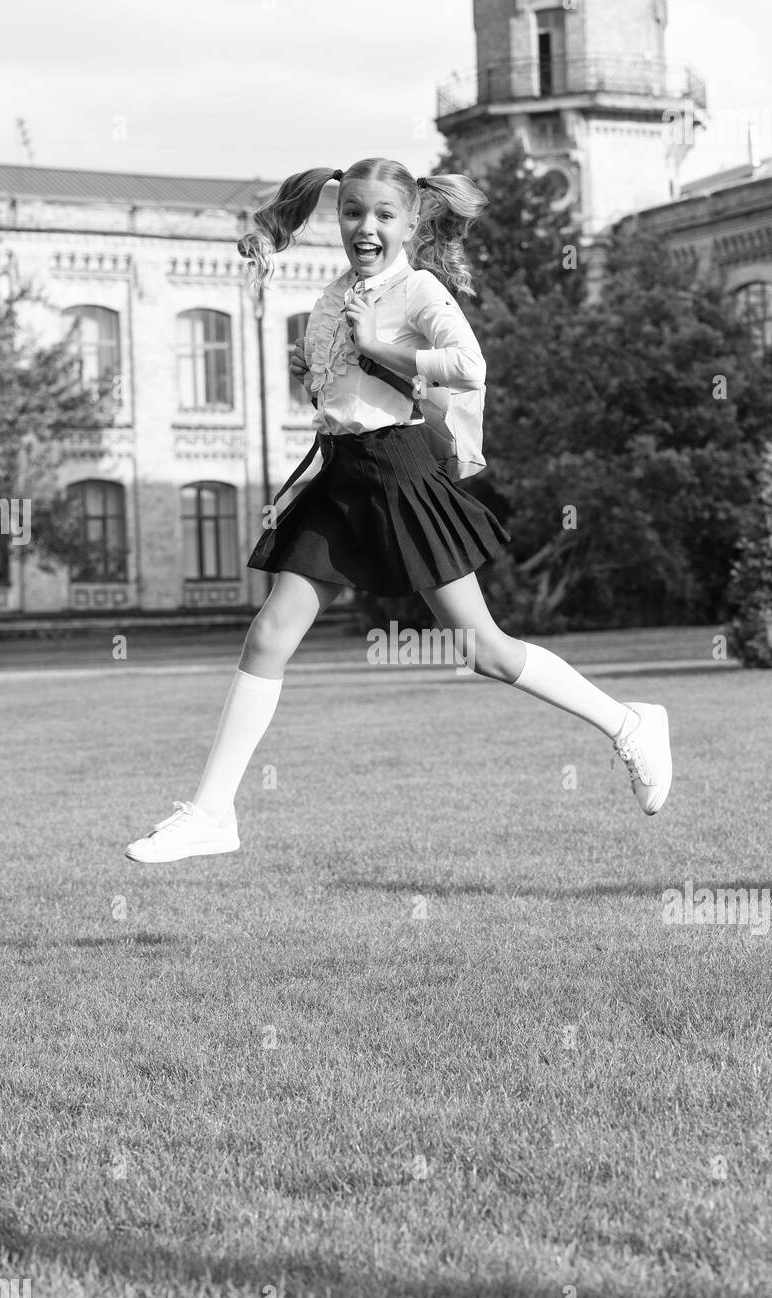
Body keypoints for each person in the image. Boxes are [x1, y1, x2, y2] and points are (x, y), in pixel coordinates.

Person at [125, 157, 671, 864]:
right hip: (341, 474)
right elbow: (336, 394)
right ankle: (211, 812)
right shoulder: (332, 294)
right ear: (338, 216)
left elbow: (468, 365)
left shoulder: (418, 290)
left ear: (410, 221)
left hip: (401, 473)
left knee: (483, 649)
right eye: (353, 212)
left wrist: (377, 346)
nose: (366, 227)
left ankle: (628, 724)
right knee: (269, 634)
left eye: (383, 214)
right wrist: (320, 371)